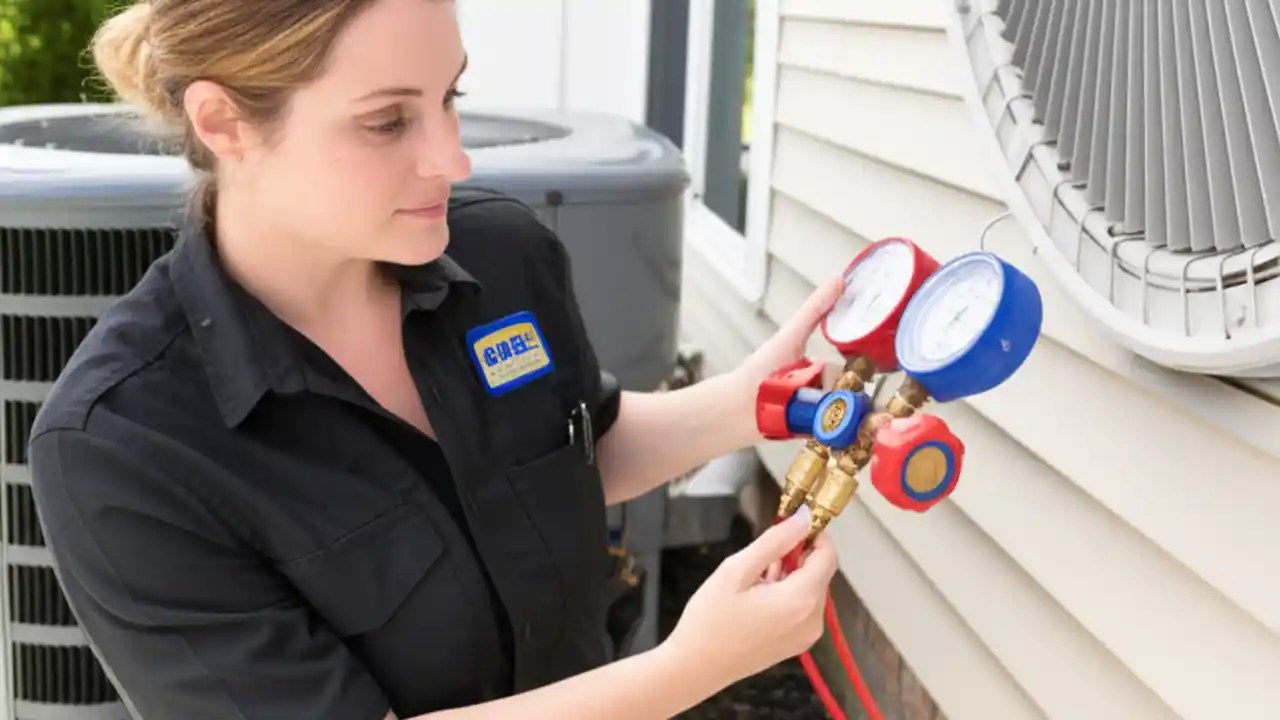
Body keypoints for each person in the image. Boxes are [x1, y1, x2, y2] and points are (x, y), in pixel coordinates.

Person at [26, 0, 849, 718]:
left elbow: (571, 449)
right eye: (388, 121)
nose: (452, 159)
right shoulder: (124, 445)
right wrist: (690, 669)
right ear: (224, 123)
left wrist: (752, 402)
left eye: (450, 97)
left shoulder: (500, 256)